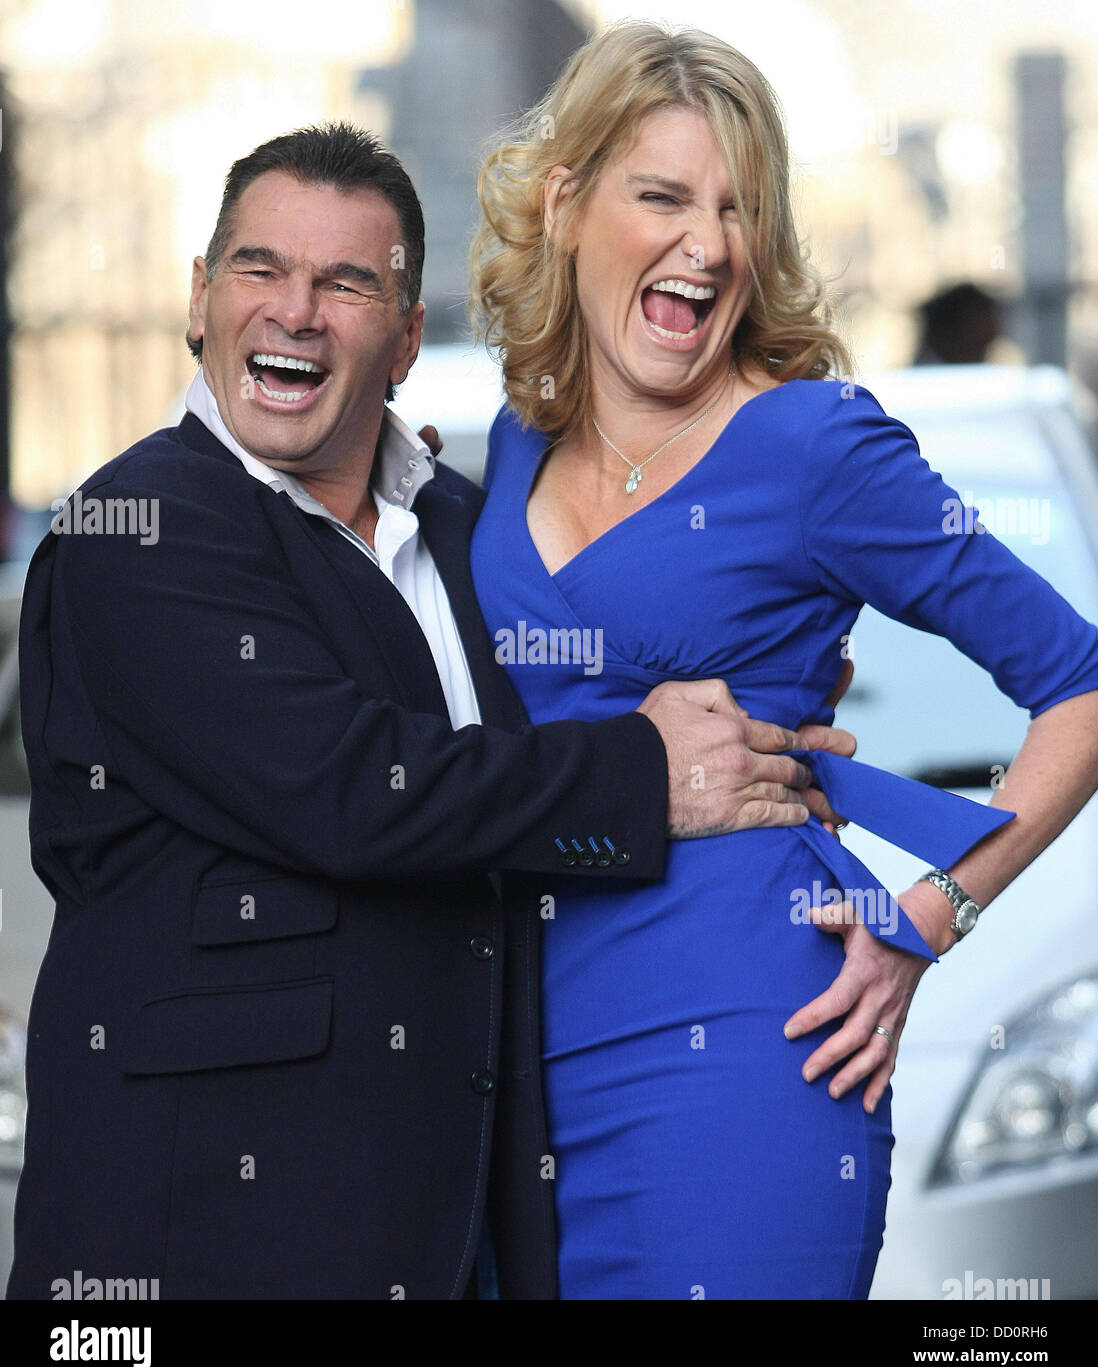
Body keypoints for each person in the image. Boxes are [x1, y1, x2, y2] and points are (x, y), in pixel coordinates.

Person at [5, 123, 855, 1301]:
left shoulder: (464, 528)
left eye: (348, 283)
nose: (296, 312)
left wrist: (771, 718)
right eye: (260, 269)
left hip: (462, 1232)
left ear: (405, 336)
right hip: (200, 1244)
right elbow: (351, 787)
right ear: (198, 299)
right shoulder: (136, 530)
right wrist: (644, 775)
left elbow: (596, 684)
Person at [469, 21, 1098, 1299]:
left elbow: (1080, 687)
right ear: (568, 201)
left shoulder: (814, 444)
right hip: (516, 1054)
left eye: (739, 208)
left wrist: (931, 916)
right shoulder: (516, 439)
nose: (707, 244)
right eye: (663, 196)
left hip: (755, 1039)